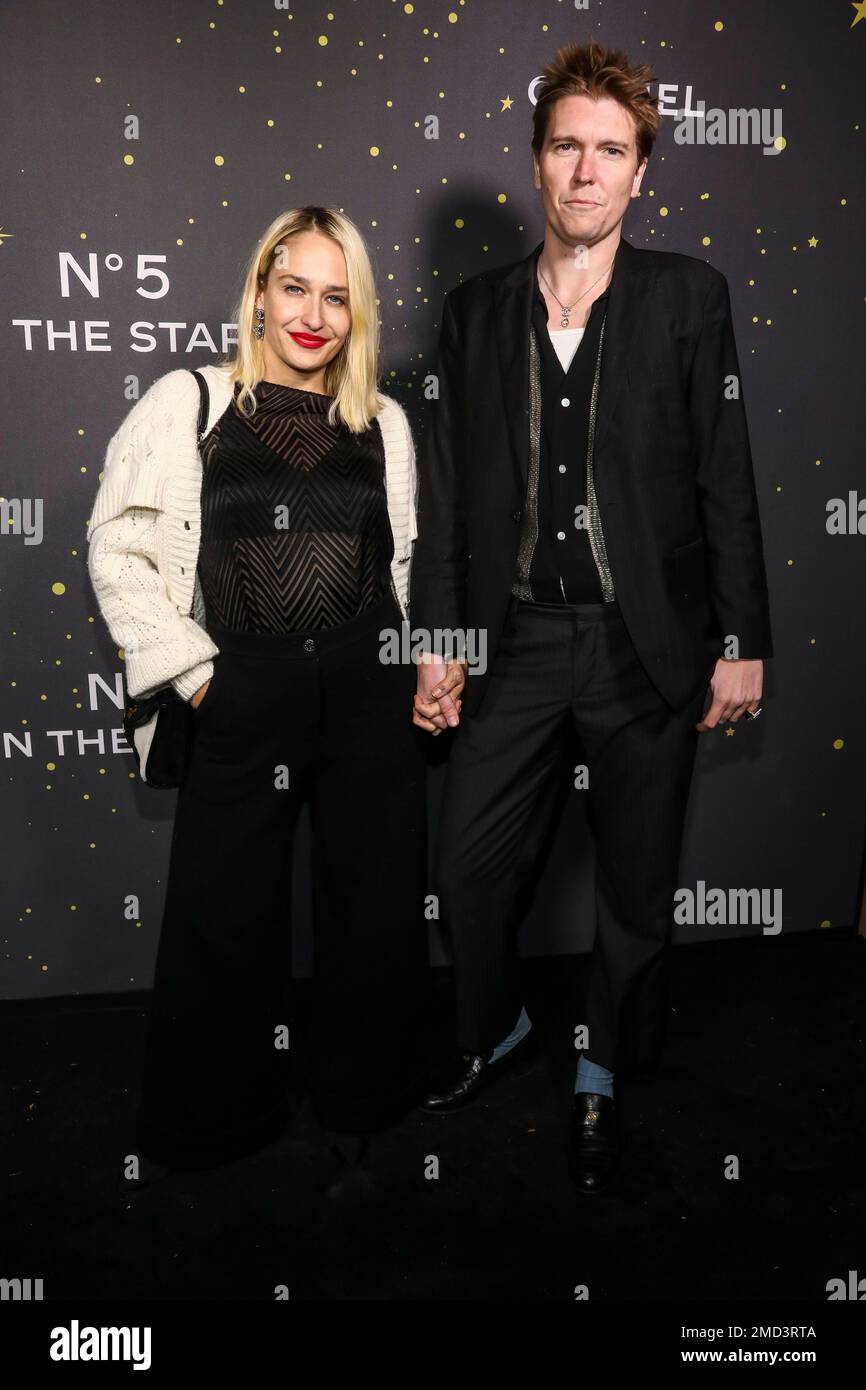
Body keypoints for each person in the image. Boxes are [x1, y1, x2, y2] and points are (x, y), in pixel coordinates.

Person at [409, 41, 773, 1193]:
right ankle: (500, 1024)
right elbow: (453, 494)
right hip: (511, 641)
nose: (584, 170)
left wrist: (740, 639)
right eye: (565, 145)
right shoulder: (474, 314)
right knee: (465, 871)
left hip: (642, 643)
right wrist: (443, 644)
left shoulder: (686, 296)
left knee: (633, 882)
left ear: (638, 173)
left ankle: (602, 1068)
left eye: (608, 150)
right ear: (534, 162)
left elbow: (723, 471)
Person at [87, 206, 427, 1194]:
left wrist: (426, 661)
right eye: (295, 288)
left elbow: (403, 564)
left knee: (370, 909)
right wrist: (195, 672)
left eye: (335, 295)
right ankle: (212, 1121)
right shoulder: (188, 402)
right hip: (240, 682)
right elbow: (119, 549)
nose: (313, 314)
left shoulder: (385, 423)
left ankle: (363, 1098)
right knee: (222, 915)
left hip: (366, 685)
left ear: (354, 311)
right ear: (260, 293)